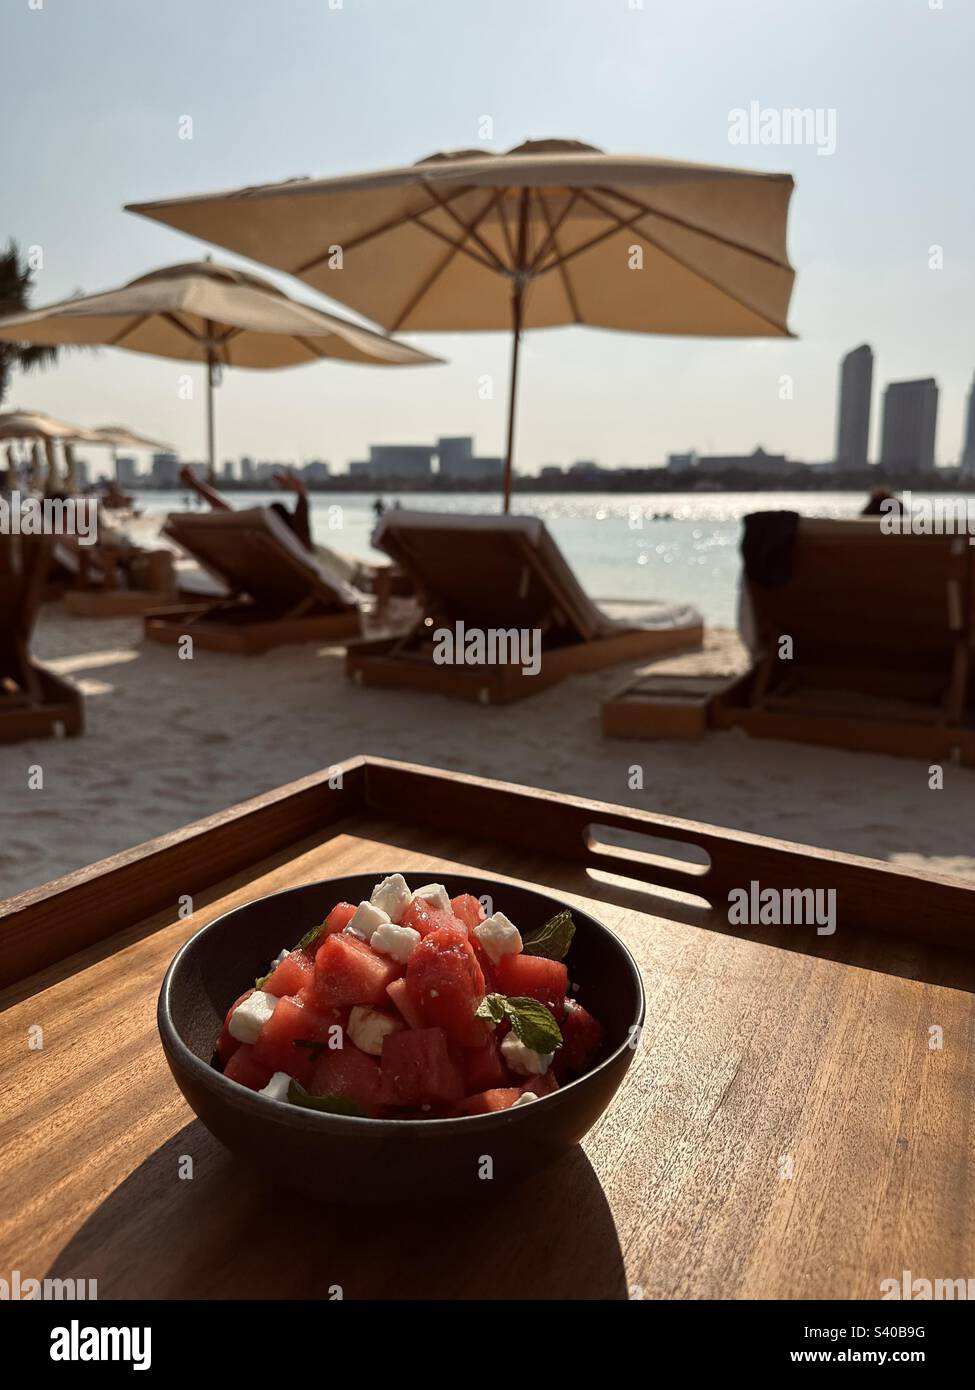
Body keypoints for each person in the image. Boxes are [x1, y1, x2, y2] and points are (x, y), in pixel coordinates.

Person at [179, 465, 312, 551]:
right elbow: (226, 511)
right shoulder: (266, 545)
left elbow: (302, 527)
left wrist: (301, 494)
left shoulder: (298, 547)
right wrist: (193, 483)